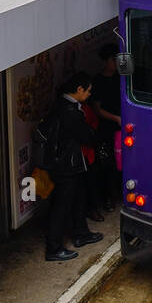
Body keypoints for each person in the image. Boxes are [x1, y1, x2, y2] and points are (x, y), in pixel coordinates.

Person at [40, 72, 103, 262]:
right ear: (79, 90)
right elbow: (87, 136)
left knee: (77, 198)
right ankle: (54, 248)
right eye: (88, 91)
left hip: (66, 164)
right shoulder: (70, 112)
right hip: (66, 166)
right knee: (61, 206)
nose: (90, 94)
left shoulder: (62, 104)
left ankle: (80, 234)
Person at [88, 43, 123, 213]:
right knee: (108, 165)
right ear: (107, 61)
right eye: (114, 59)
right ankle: (108, 198)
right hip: (106, 130)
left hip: (121, 127)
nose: (116, 62)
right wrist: (116, 118)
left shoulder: (120, 77)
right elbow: (97, 108)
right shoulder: (98, 81)